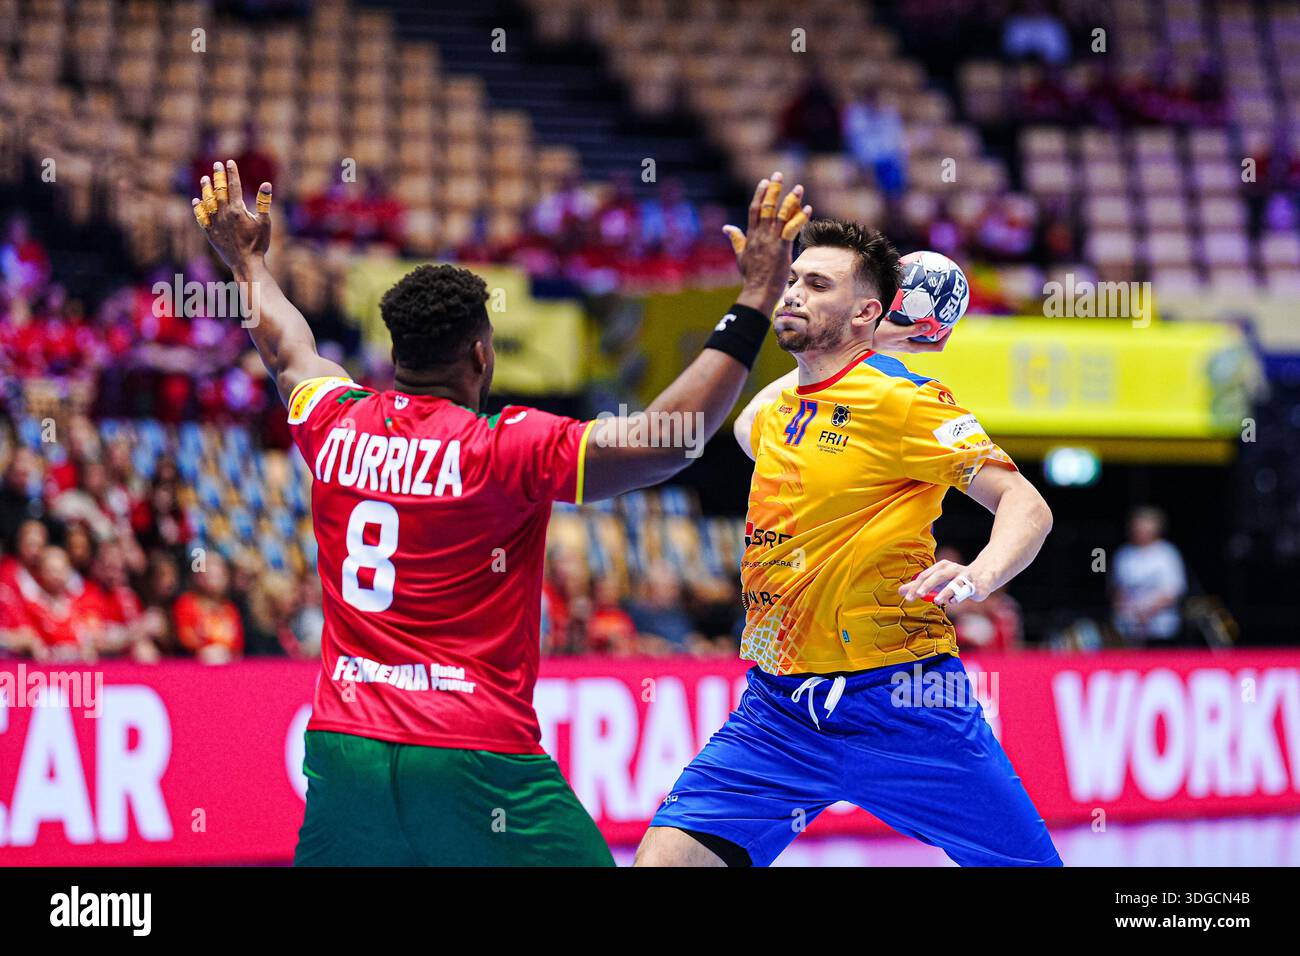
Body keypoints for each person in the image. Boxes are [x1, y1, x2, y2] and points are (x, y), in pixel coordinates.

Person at [190, 158, 810, 865]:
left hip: (344, 748)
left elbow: (284, 343)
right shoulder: (505, 448)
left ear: (398, 354)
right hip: (473, 755)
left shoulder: (334, 420)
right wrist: (758, 293)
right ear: (482, 355)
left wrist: (244, 261)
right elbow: (668, 443)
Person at [637, 218, 1061, 867]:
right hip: (779, 710)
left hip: (902, 700)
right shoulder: (782, 408)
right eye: (793, 280)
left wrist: (976, 576)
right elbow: (751, 428)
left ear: (867, 309)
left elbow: (1026, 505)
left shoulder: (907, 400)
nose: (793, 294)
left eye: (817, 282)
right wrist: (865, 338)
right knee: (665, 862)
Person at [1111, 506, 1187, 646]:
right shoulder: (1123, 554)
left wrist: (1146, 612)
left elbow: (1173, 590)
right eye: (1137, 527)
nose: (1140, 531)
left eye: (1145, 527)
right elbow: (1117, 589)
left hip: (1161, 629)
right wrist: (1127, 612)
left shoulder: (1167, 553)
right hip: (1129, 629)